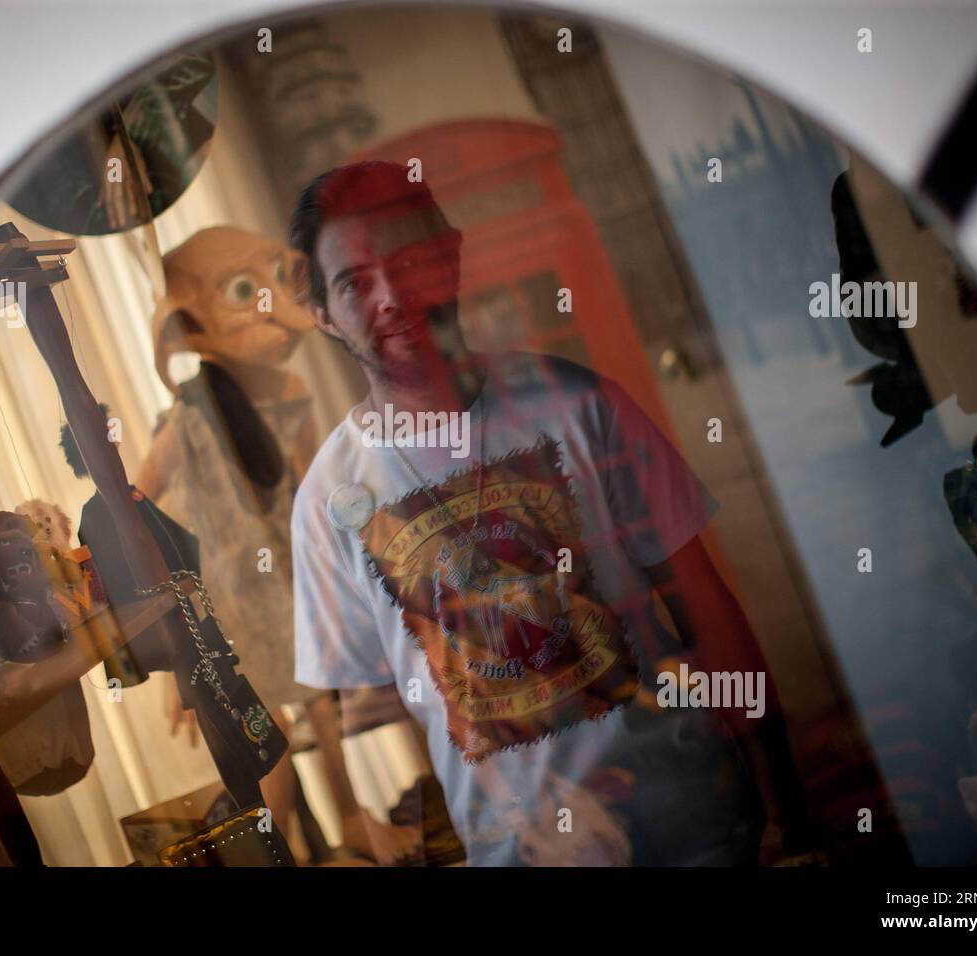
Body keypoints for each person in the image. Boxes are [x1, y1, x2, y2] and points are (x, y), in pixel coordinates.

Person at [288, 160, 813, 865]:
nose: (390, 297)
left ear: (451, 256)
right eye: (354, 283)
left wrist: (788, 804)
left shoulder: (581, 405)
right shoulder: (327, 503)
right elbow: (384, 707)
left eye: (409, 261)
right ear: (322, 311)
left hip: (694, 817)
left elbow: (703, 605)